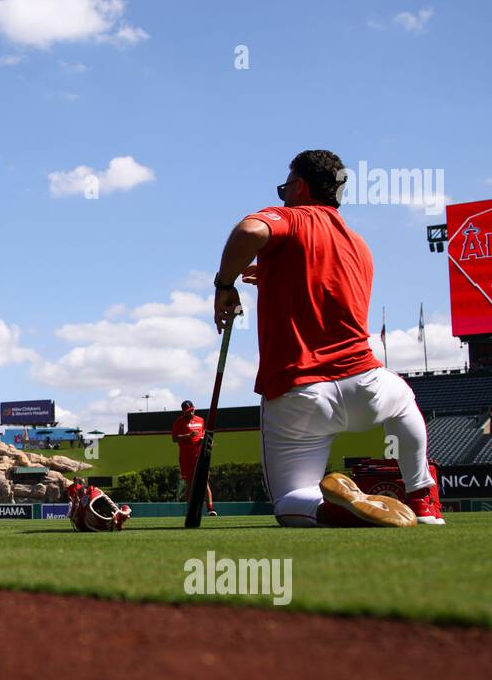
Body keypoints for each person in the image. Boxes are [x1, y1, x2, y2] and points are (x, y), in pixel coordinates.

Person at [212, 150, 444, 527]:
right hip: (365, 385)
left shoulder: (289, 216)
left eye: (286, 186)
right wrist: (272, 275)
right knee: (403, 401)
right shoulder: (359, 244)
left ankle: (336, 506)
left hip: (299, 392)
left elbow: (249, 231)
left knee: (290, 499)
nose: (283, 193)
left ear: (300, 186)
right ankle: (423, 499)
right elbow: (321, 281)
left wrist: (224, 284)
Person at [172, 400, 216, 515]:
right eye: (187, 411)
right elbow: (175, 438)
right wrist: (188, 436)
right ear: (183, 412)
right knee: (190, 484)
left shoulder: (200, 420)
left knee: (204, 482)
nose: (190, 413)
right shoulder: (178, 422)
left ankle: (210, 508)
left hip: (200, 456)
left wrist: (206, 441)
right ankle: (190, 510)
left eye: (191, 410)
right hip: (186, 457)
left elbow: (202, 434)